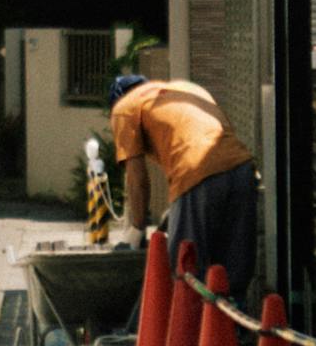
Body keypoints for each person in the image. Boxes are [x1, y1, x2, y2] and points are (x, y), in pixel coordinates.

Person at [109, 52, 258, 296]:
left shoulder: (124, 108)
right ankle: (234, 330)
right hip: (242, 169)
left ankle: (187, 333)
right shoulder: (187, 89)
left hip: (197, 173)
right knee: (232, 270)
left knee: (185, 269)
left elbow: (137, 180)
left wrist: (136, 231)